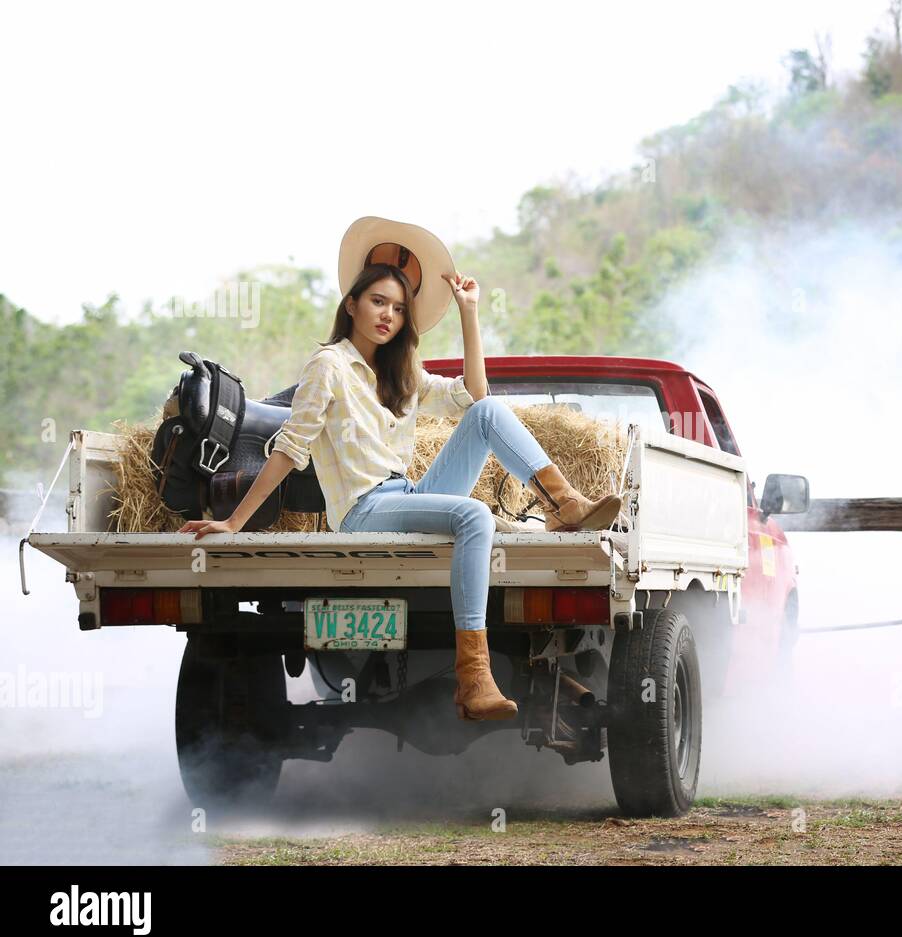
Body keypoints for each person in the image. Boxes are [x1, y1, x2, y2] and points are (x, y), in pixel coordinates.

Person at [179, 216, 623, 721]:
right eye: (377, 302)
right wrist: (234, 522)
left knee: (488, 413)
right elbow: (290, 449)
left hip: (405, 494)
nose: (388, 315)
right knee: (475, 516)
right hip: (364, 510)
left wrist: (469, 313)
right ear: (351, 305)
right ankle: (473, 675)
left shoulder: (402, 371)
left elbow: (474, 395)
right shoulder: (328, 366)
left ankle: (564, 503)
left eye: (397, 307)